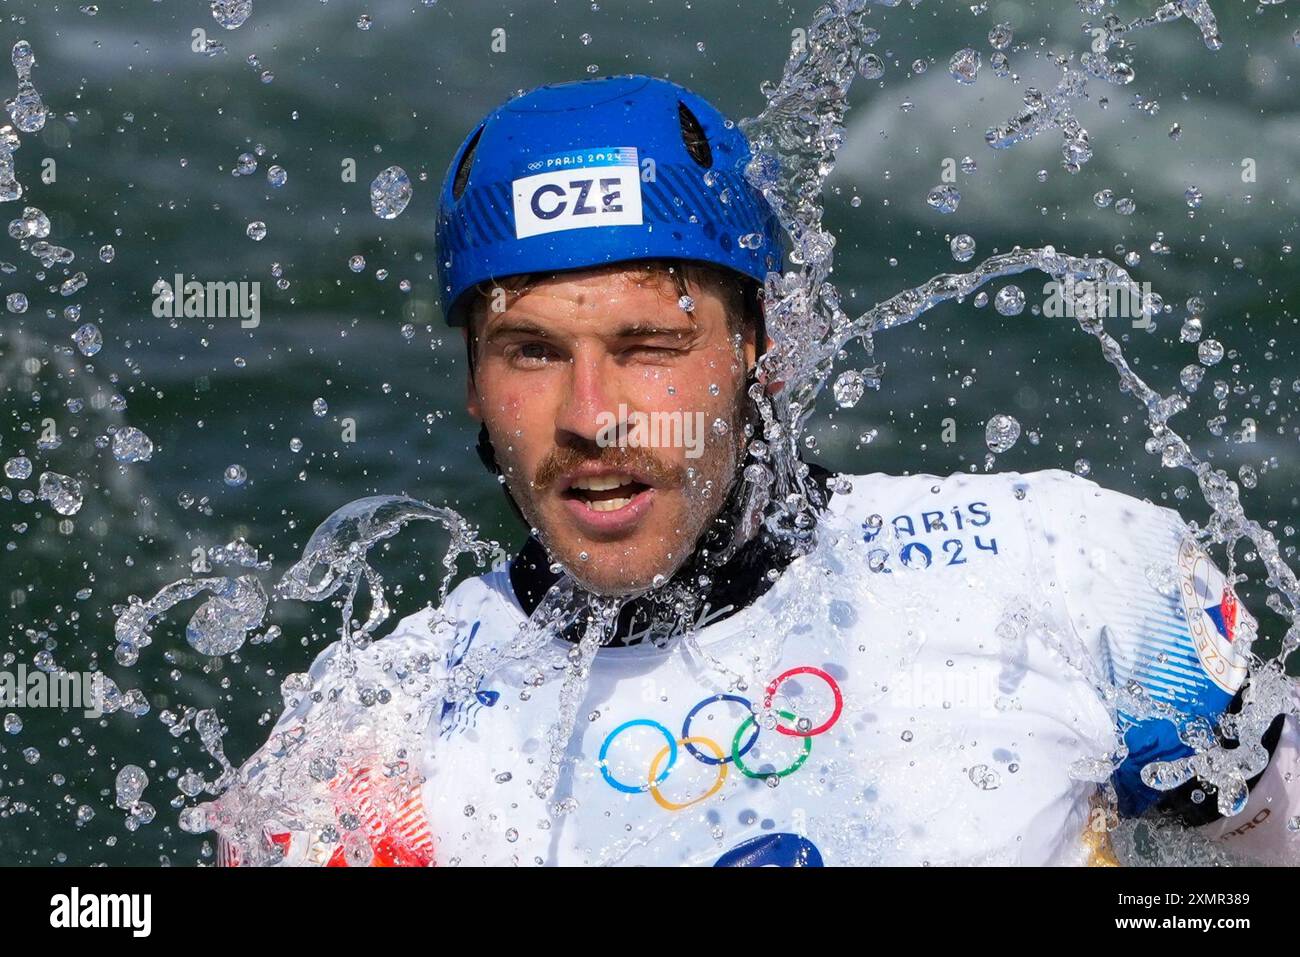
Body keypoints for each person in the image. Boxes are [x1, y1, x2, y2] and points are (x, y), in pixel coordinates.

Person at [220, 75, 1299, 867]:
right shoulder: (367, 758)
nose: (591, 419)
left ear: (760, 349)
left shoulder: (1066, 575)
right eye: (533, 353)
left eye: (650, 348)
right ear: (470, 381)